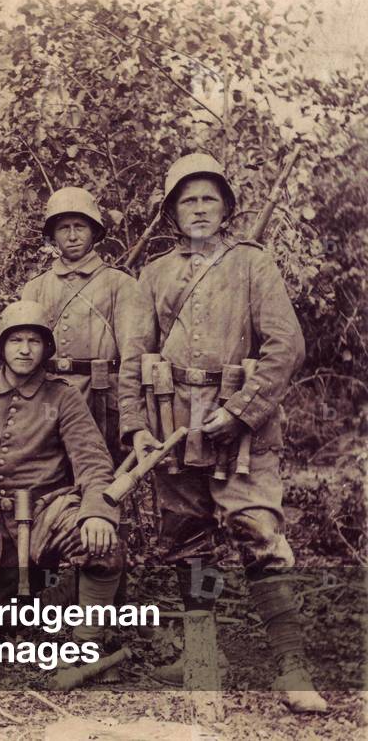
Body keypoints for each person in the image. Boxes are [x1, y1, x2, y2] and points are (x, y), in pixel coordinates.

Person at [118, 153, 327, 712]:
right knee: (188, 541)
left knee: (259, 531)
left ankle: (291, 667)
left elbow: (287, 346)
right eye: (188, 200)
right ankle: (203, 661)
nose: (200, 209)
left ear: (228, 206)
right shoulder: (155, 274)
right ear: (172, 212)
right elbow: (133, 359)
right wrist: (137, 425)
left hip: (242, 431)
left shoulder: (254, 265)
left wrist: (240, 411)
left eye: (210, 198)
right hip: (172, 427)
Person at [0, 300, 123, 681]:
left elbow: (92, 460)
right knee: (2, 611)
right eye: (16, 340)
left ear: (46, 348)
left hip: (45, 514)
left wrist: (96, 512)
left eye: (34, 341)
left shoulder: (63, 396)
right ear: (1, 347)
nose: (25, 349)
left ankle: (85, 645)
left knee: (101, 545)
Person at [20, 187, 138, 462]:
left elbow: (133, 356)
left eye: (79, 227)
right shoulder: (36, 288)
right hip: (49, 398)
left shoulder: (120, 284)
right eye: (63, 228)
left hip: (102, 401)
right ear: (53, 235)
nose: (72, 236)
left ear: (94, 232)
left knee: (102, 476)